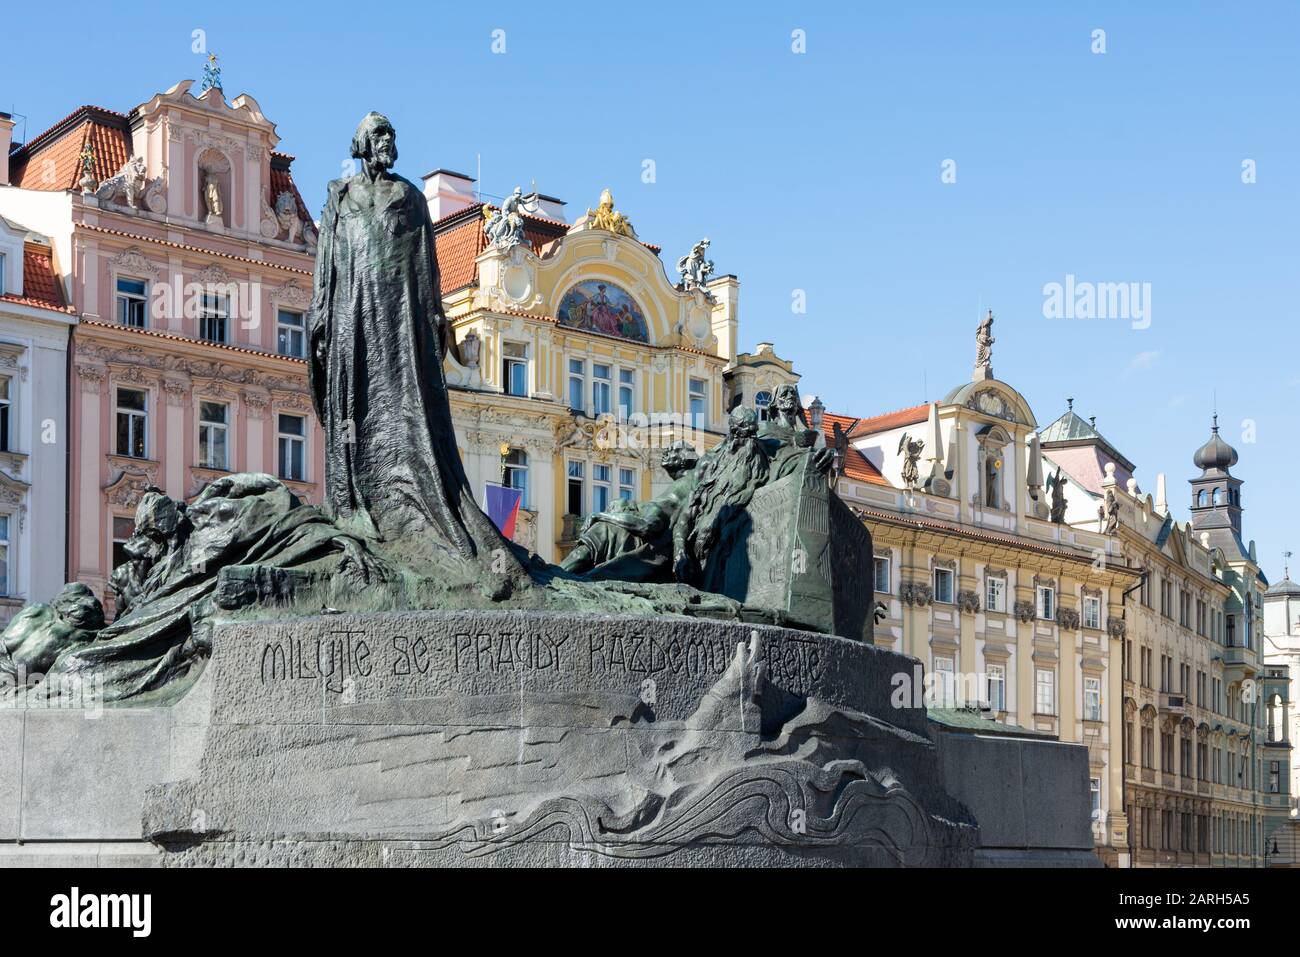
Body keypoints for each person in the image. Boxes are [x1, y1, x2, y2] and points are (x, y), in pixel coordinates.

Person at [309, 113, 524, 577]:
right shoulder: (339, 198)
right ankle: (355, 498)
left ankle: (415, 504)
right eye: (379, 135)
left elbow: (427, 264)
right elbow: (326, 265)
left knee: (405, 407)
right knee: (353, 407)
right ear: (362, 144)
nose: (387, 142)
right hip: (351, 313)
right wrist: (322, 316)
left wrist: (432, 320)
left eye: (391, 135)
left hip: (397, 315)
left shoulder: (408, 197)